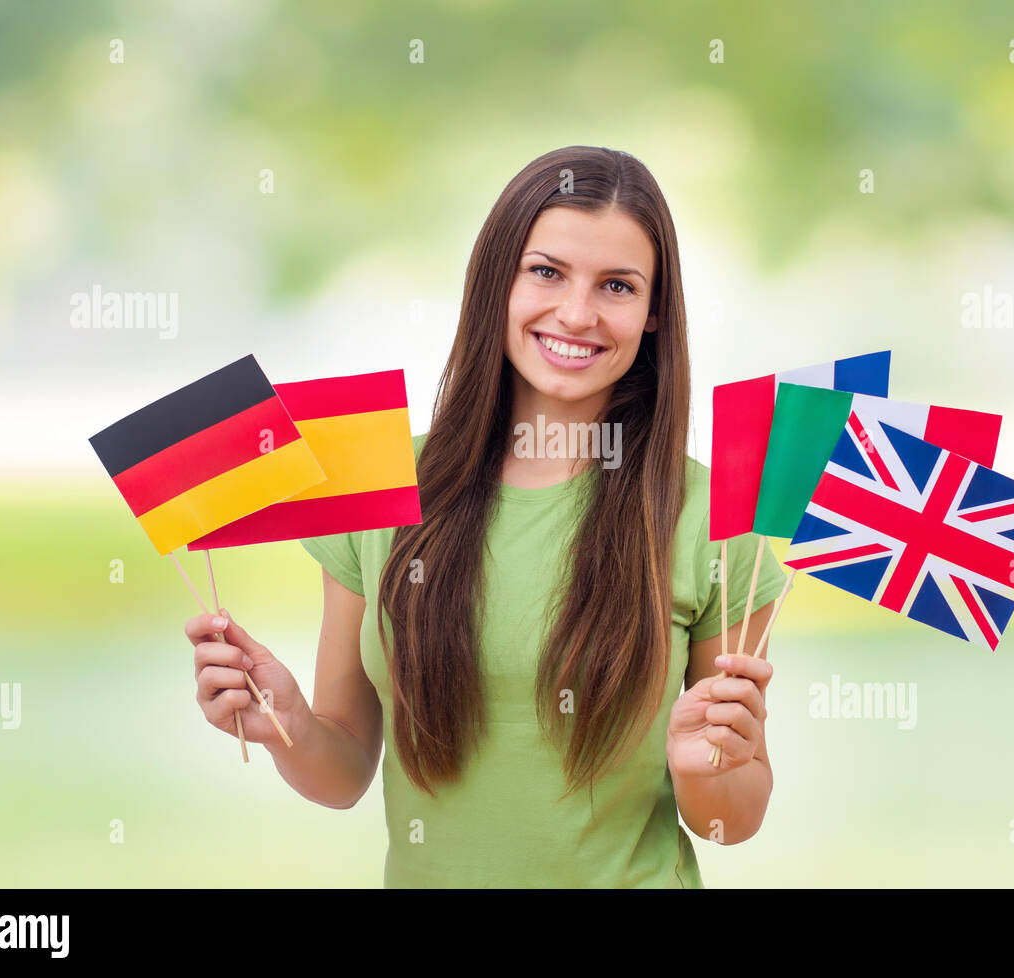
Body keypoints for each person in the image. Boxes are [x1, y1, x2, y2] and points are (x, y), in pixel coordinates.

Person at [185, 145, 787, 887]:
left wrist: (708, 769)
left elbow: (732, 819)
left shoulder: (715, 519)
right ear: (495, 280)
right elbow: (342, 773)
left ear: (654, 312)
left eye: (618, 286)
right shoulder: (381, 483)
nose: (578, 313)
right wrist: (286, 723)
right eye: (546, 272)